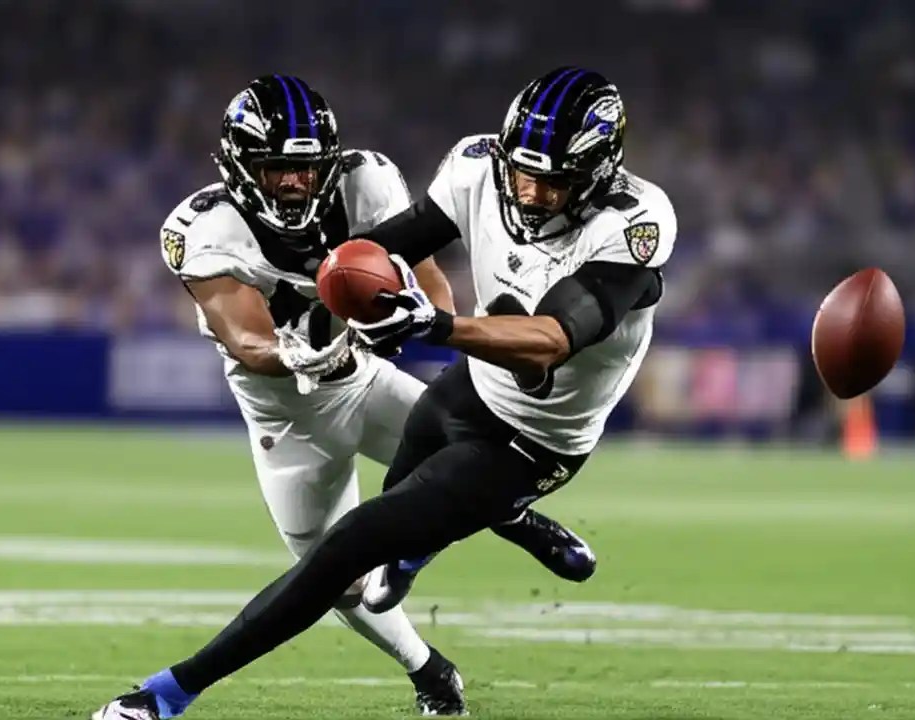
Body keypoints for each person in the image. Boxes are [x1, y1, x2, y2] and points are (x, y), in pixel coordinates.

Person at [90, 67, 656, 720]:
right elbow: (245, 339)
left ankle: (163, 698)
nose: (297, 181)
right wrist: (295, 349)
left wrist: (422, 319)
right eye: (278, 168)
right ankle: (431, 665)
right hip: (286, 421)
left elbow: (429, 279)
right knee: (341, 576)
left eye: (307, 166)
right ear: (242, 166)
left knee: (407, 506)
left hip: (366, 383)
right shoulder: (203, 224)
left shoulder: (369, 179)